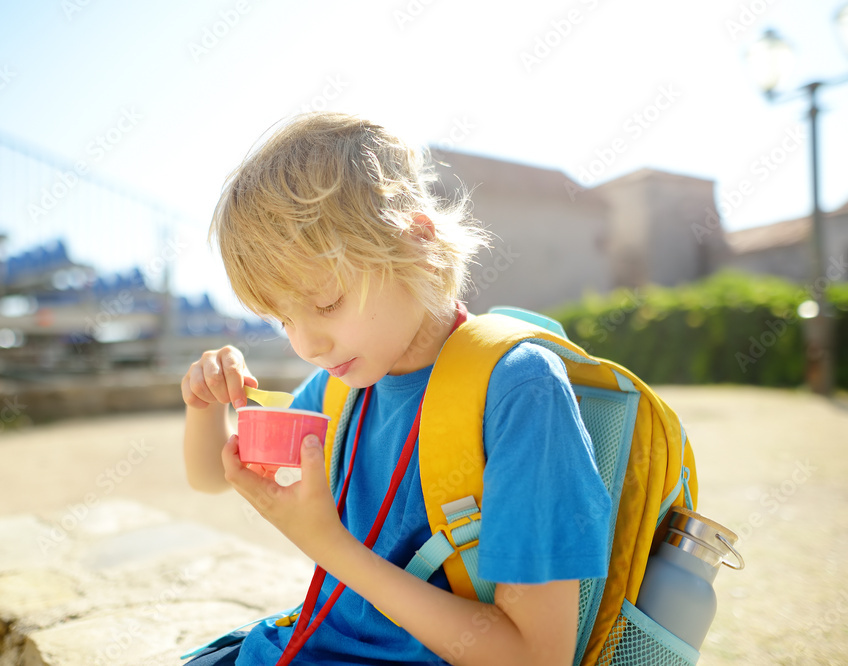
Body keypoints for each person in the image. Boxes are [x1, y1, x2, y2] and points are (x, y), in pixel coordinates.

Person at [181, 111, 612, 665]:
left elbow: (535, 657)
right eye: (282, 320)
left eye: (326, 304)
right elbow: (211, 478)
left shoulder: (518, 389)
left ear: (417, 242)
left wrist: (327, 543)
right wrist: (203, 405)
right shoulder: (345, 389)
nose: (306, 344)